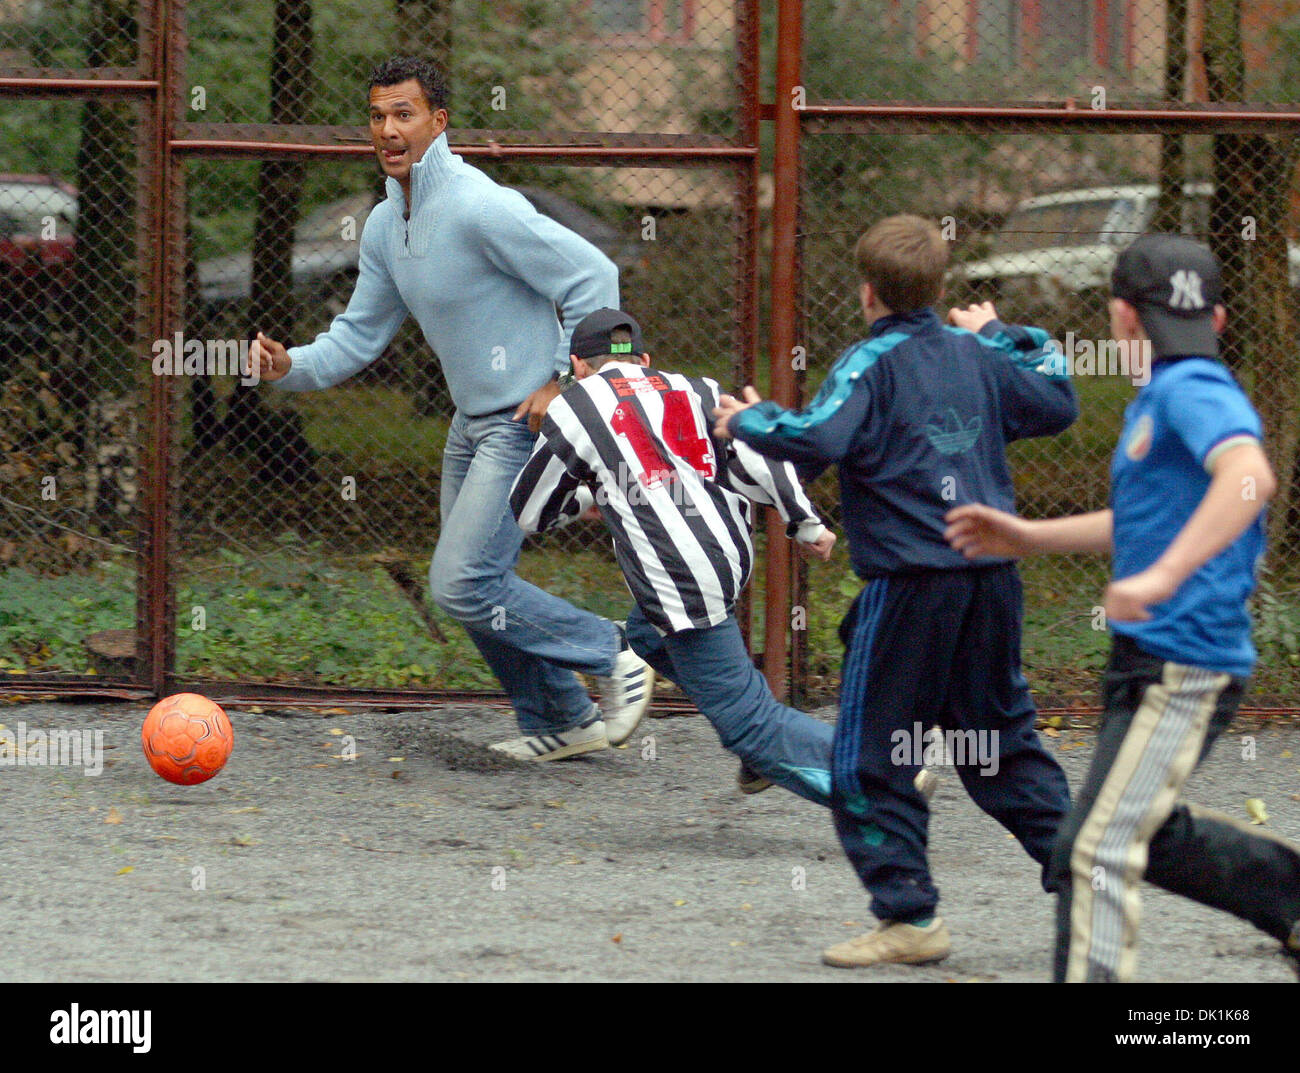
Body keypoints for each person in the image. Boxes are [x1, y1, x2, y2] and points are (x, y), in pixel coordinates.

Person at [250, 56, 652, 758]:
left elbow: (594, 274)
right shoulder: (384, 224)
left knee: (463, 581)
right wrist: (291, 367)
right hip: (469, 429)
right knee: (476, 587)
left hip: (522, 428)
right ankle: (562, 718)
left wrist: (564, 379)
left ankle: (610, 651)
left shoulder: (477, 204)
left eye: (404, 114)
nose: (388, 129)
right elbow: (357, 335)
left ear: (439, 122)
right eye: (377, 115)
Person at [713, 214, 1076, 968]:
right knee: (999, 745)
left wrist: (750, 419)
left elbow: (817, 435)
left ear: (868, 291)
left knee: (866, 758)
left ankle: (909, 915)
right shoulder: (979, 353)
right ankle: (1090, 872)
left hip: (912, 586)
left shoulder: (868, 361)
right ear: (941, 288)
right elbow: (1058, 398)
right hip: (991, 583)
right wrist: (1007, 331)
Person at [945, 234, 1300, 983]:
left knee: (1095, 849)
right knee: (1150, 832)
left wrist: (1166, 574)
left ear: (1120, 317)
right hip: (1150, 656)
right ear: (1218, 317)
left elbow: (1249, 477)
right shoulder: (1164, 393)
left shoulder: (1191, 388)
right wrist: (1028, 536)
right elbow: (1146, 519)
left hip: (1184, 660)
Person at [508, 307, 842, 802]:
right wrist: (805, 523)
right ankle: (761, 754)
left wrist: (591, 497)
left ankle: (875, 773)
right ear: (644, 360)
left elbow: (531, 511)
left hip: (682, 583)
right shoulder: (698, 389)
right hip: (728, 556)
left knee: (748, 722)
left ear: (577, 366)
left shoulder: (575, 407)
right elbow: (757, 457)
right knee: (646, 635)